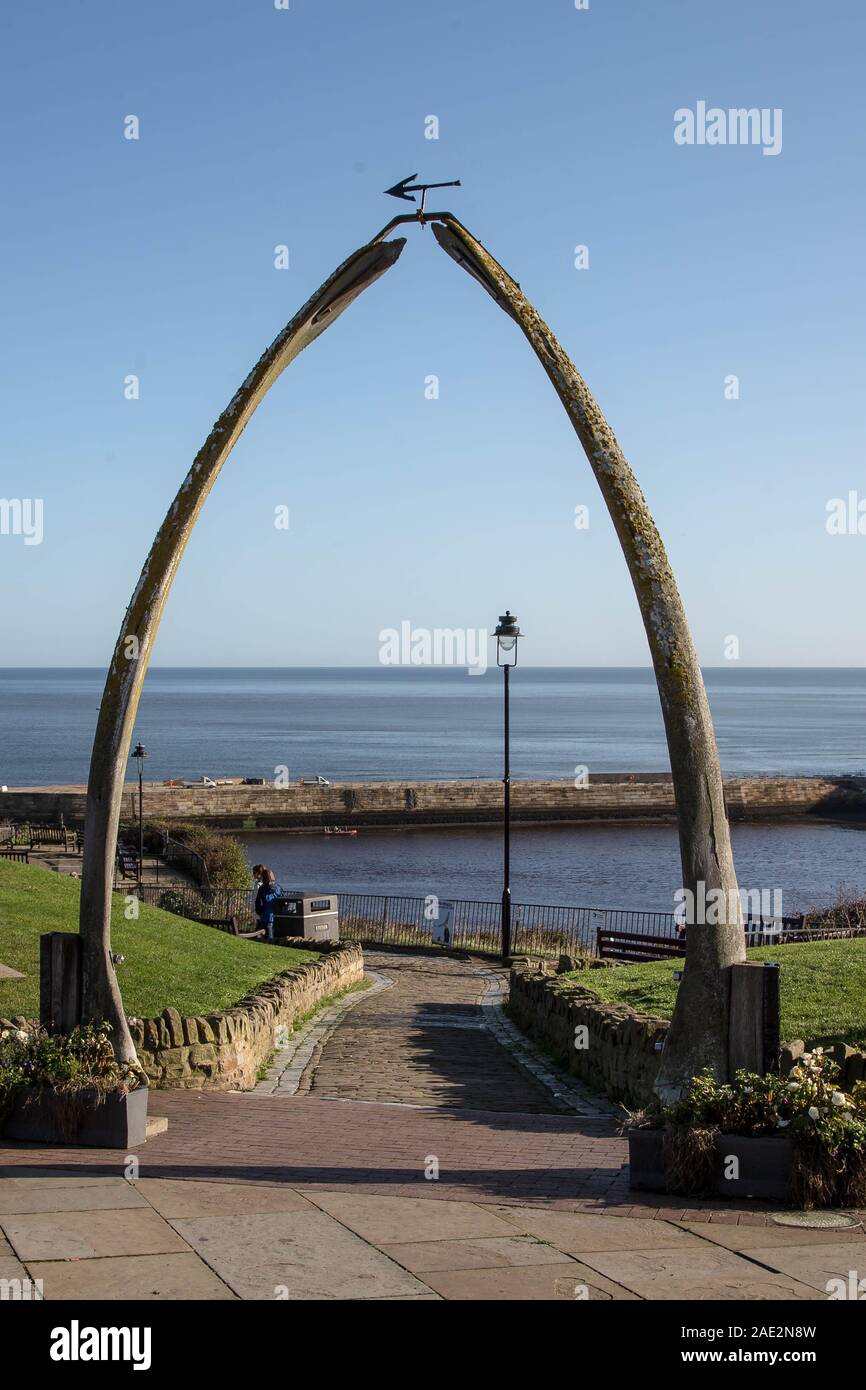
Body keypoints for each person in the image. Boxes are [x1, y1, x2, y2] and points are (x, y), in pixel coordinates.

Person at [253, 864, 282, 941]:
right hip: (275, 916)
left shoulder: (262, 889)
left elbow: (257, 902)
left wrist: (260, 912)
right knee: (272, 937)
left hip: (264, 916)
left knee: (264, 937)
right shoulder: (278, 888)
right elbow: (283, 900)